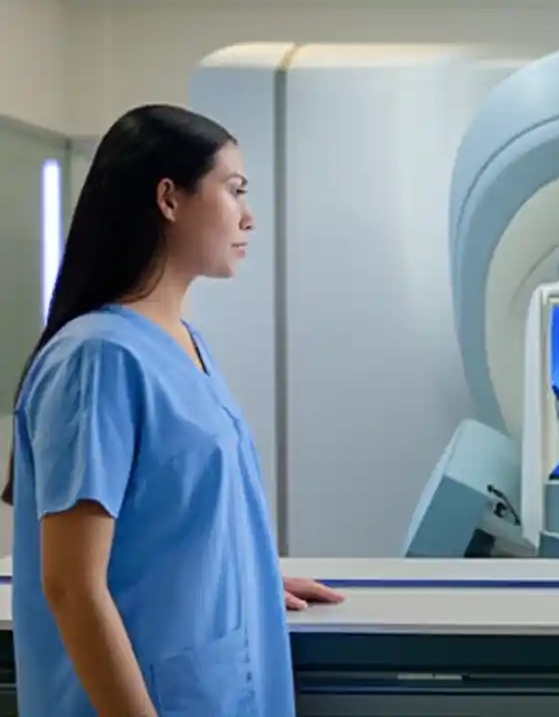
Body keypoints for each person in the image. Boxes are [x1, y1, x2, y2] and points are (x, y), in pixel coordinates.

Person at [4, 104, 344, 716]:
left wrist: (244, 578)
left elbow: (170, 510)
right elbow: (72, 586)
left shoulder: (186, 344)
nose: (249, 217)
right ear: (169, 199)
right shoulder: (98, 358)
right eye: (234, 190)